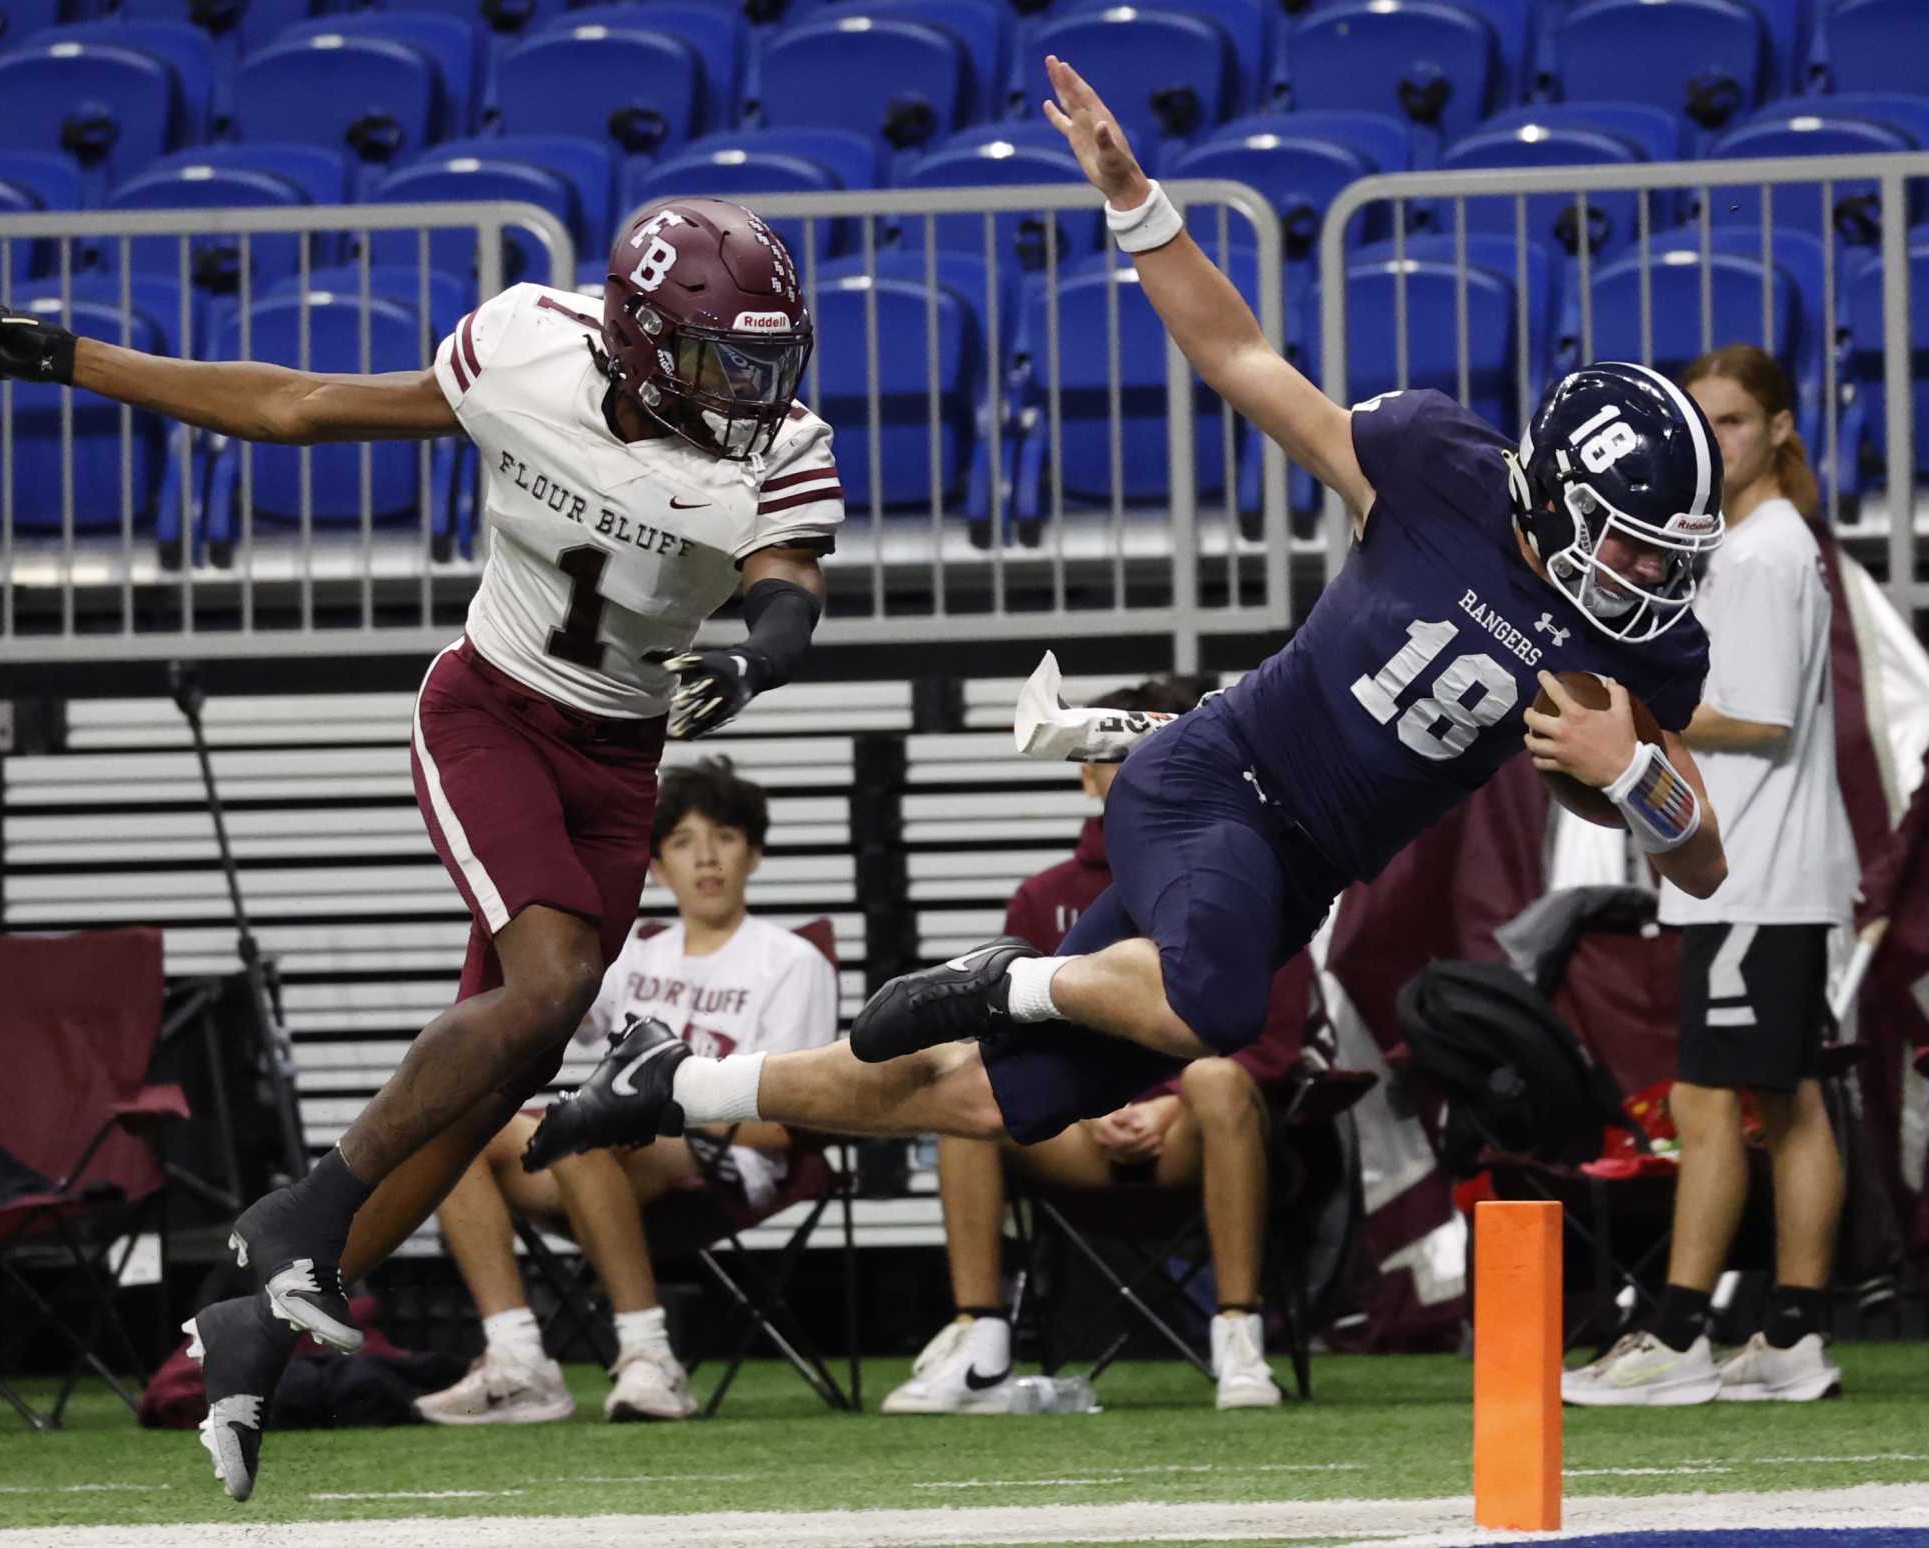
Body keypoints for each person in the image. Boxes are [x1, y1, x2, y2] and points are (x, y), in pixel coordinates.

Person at [517, 61, 1729, 1226]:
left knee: (989, 1098)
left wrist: (1626, 773)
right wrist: (1133, 201)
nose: (1652, 575)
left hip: (1293, 870)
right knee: (1209, 1009)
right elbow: (1241, 358)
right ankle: (1006, 975)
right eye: (1632, 544)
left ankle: (671, 1082)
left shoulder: (1633, 644)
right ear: (1556, 496)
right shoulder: (1431, 473)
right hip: (1215, 782)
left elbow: (1700, 867)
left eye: (1668, 553)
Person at [0, 197, 843, 1501]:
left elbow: (789, 590)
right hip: (494, 716)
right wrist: (80, 358)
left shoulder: (782, 447)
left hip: (623, 762)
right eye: (717, 360)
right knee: (545, 988)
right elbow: (297, 403)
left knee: (503, 1059)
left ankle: (263, 1317)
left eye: (764, 360)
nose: (749, 390)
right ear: (638, 341)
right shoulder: (523, 348)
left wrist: (753, 663)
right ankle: (289, 1230)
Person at [1562, 345, 1853, 1407]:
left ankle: (1679, 1333)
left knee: (1712, 1096)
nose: (1712, 441)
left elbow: (1760, 714)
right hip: (1757, 871)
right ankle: (1786, 1335)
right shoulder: (1751, 546)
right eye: (1700, 422)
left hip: (1756, 870)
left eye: (1731, 421)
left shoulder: (1762, 554)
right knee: (1781, 1100)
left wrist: (1630, 707)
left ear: (1777, 429)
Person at [884, 676, 1287, 1415]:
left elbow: (1278, 1039)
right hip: (1072, 1133)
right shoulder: (1042, 895)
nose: (1137, 764)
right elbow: (1012, 1039)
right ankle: (980, 1342)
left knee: (1219, 1083)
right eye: (1115, 749)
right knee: (969, 1100)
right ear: (1087, 771)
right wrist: (1085, 1112)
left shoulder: (1253, 875)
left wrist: (1166, 1107)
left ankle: (1238, 1336)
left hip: (1189, 1137)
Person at [413, 758, 838, 1426]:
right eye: (681, 843)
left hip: (732, 1157)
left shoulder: (790, 960)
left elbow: (791, 1116)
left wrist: (658, 1115)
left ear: (754, 852)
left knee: (589, 1127)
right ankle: (517, 1357)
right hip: (603, 1162)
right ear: (656, 868)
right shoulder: (634, 950)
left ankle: (649, 1356)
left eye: (724, 837)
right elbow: (545, 1015)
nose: (706, 858)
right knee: (448, 1128)